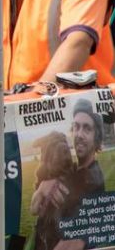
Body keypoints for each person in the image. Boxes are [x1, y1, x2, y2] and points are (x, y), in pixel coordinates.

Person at [30, 99, 107, 250]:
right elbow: (34, 209)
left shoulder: (92, 181)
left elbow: (72, 243)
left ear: (97, 138)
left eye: (87, 129)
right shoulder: (72, 172)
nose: (79, 134)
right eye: (76, 127)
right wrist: (44, 187)